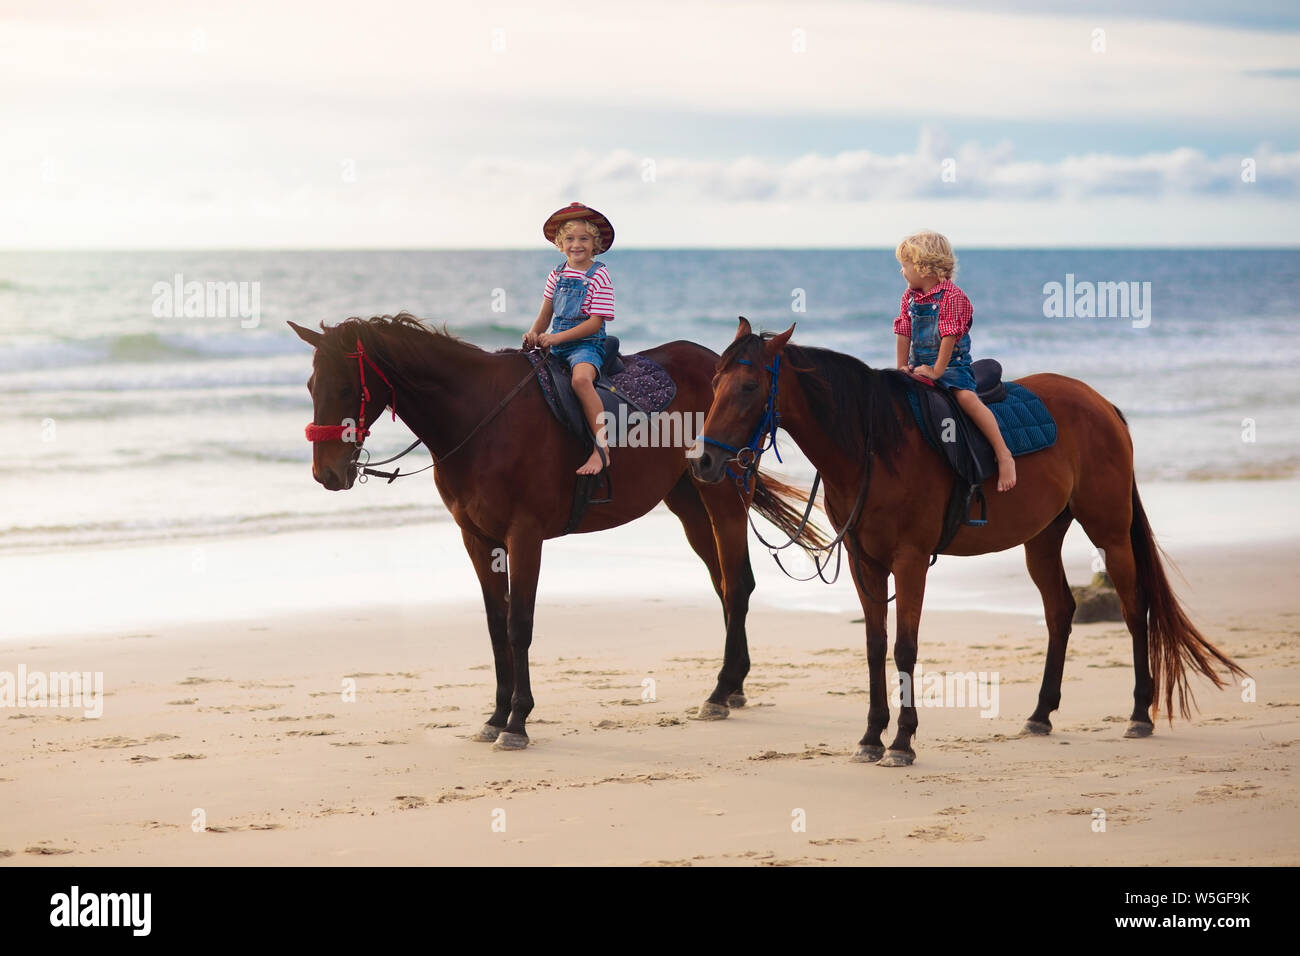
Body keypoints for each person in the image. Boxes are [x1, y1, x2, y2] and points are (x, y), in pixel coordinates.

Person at [894, 231, 1017, 491]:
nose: (902, 272)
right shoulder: (910, 297)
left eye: (904, 266)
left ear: (923, 267)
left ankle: (1003, 454)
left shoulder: (952, 296)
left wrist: (937, 372)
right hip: (920, 366)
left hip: (951, 367)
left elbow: (948, 337)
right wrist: (902, 367)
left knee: (966, 399)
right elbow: (904, 331)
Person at [523, 202, 617, 475]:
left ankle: (602, 449)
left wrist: (556, 338)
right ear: (561, 243)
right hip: (557, 340)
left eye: (584, 239)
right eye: (570, 239)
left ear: (595, 243)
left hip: (586, 345)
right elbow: (546, 312)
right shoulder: (557, 273)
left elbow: (595, 323)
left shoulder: (599, 275)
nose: (577, 245)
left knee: (580, 380)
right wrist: (535, 333)